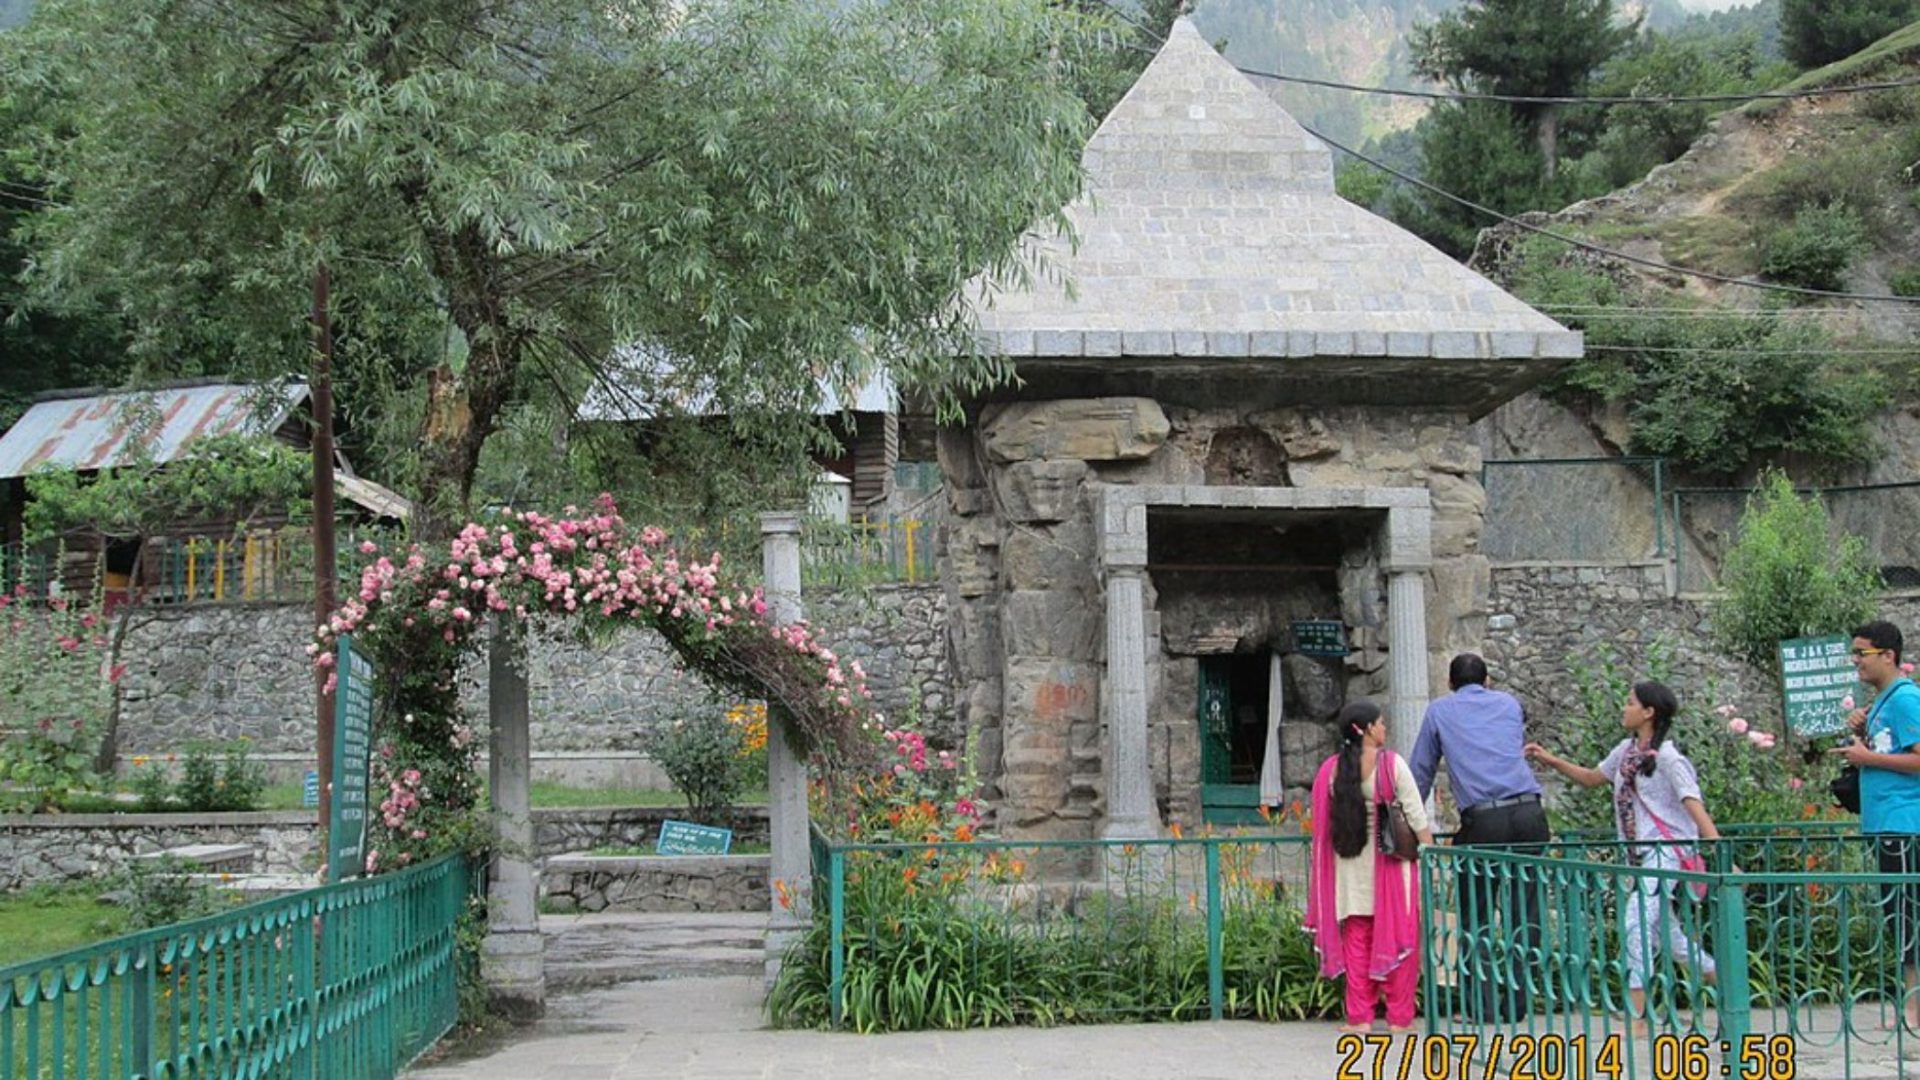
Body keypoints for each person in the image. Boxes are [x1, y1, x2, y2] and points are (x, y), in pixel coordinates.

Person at [1527, 679, 1721, 1032]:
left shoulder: (1669, 759)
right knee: (1668, 935)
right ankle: (1725, 983)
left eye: (1630, 702)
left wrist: (1719, 849)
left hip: (1665, 855)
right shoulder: (1625, 752)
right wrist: (1550, 760)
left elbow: (1692, 802)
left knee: (1635, 922)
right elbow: (1591, 778)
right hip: (1640, 857)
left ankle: (1637, 1016)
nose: (1624, 707)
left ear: (1649, 712)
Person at [1410, 652, 1549, 1021]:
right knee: (1526, 913)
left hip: (1484, 818)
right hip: (1530, 812)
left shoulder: (1440, 711)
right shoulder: (1509, 704)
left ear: (1450, 684)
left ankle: (1481, 1008)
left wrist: (1407, 816)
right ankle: (1518, 1006)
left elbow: (1420, 773)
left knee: (1478, 915)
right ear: (1487, 681)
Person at [1307, 700, 1436, 1034]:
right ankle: (1398, 1018)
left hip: (1349, 864)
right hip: (1390, 863)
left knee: (1357, 941)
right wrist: (1432, 853)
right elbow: (1415, 814)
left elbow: (1322, 825)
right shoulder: (1391, 765)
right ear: (1365, 730)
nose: (1384, 727)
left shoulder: (1331, 771)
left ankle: (1360, 1018)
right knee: (1401, 938)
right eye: (1379, 723)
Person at [1833, 619, 1920, 1033]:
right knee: (1899, 915)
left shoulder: (1905, 700)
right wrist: (1864, 738)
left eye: (1862, 653)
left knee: (1907, 915)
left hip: (1905, 825)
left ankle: (1914, 1010)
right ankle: (1911, 1003)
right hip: (1887, 824)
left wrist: (1868, 759)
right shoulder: (1885, 702)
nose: (1856, 662)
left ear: (1888, 656)